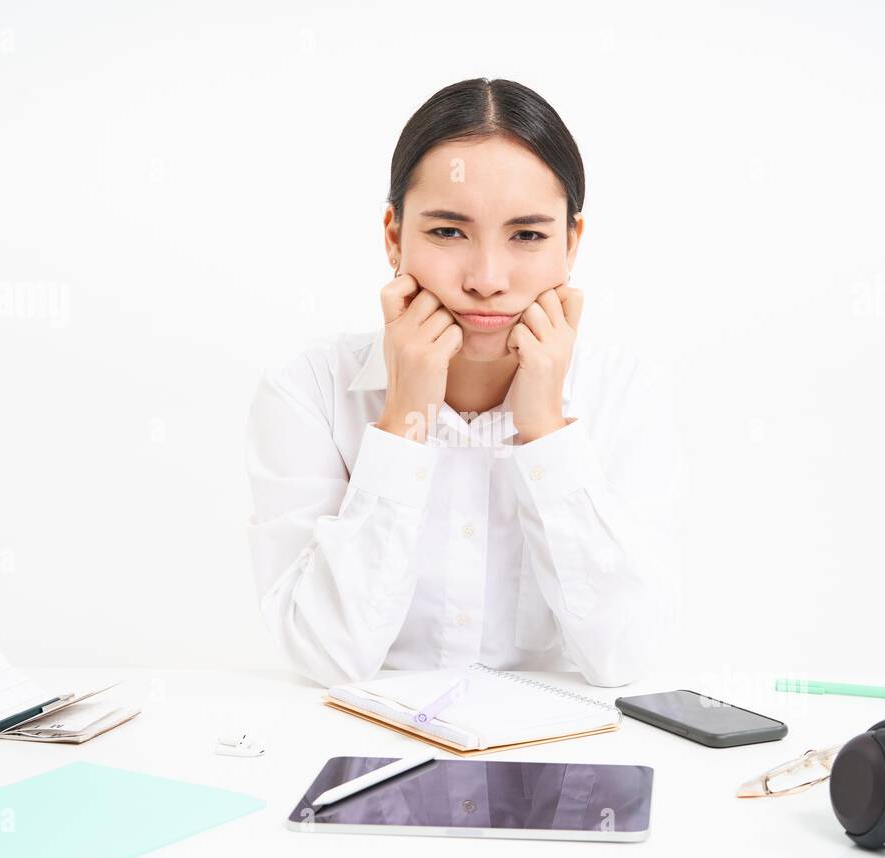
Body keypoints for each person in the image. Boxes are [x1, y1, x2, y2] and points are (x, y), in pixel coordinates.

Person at [245, 77, 677, 689]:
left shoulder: (623, 393)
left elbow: (624, 658)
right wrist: (404, 420)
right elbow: (326, 655)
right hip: (366, 758)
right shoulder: (307, 391)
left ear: (571, 243)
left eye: (527, 235)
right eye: (448, 231)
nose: (487, 278)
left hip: (553, 768)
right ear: (393, 236)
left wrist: (546, 432)